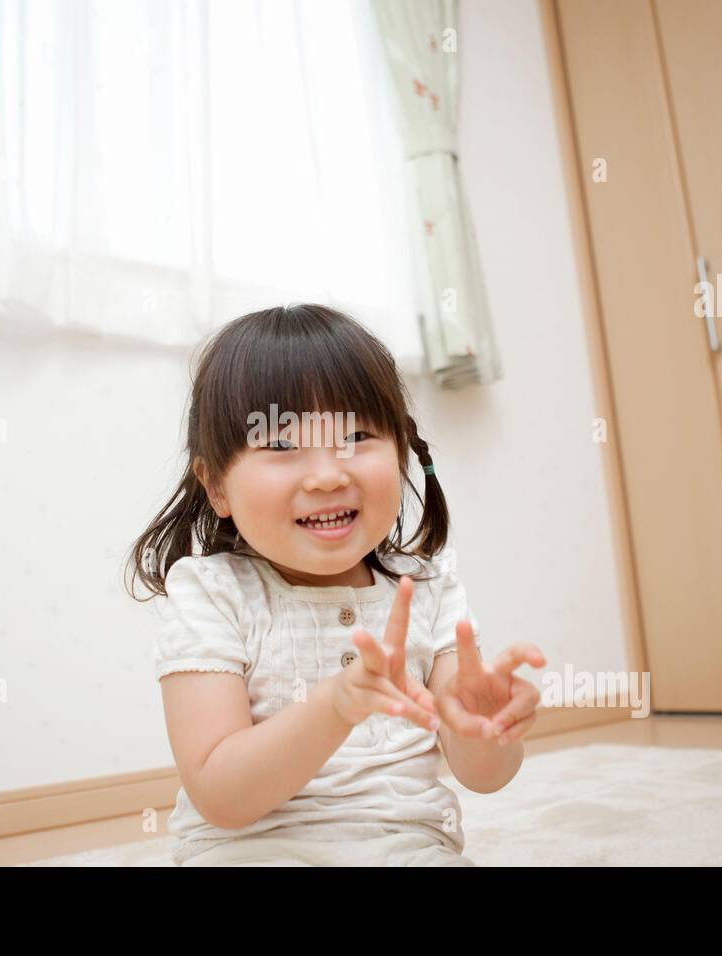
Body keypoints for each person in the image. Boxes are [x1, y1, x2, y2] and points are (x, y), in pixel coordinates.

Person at [126, 303, 545, 866]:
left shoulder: (427, 586)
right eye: (280, 445)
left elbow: (485, 777)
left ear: (400, 453)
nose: (327, 475)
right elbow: (222, 797)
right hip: (250, 850)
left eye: (355, 436)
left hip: (407, 846)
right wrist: (336, 704)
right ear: (216, 486)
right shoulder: (212, 594)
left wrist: (488, 727)